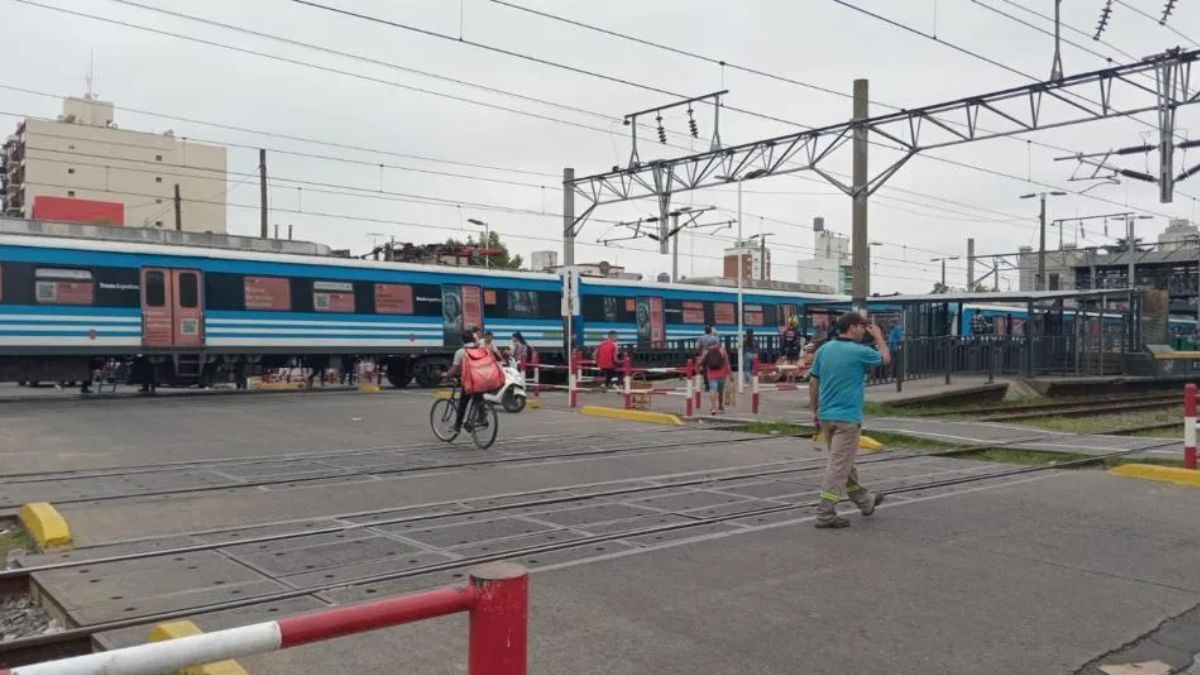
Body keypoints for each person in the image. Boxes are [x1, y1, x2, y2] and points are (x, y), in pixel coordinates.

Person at [808, 312, 892, 529]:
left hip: (826, 417)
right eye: (863, 327)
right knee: (838, 465)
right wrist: (879, 338)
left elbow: (813, 383)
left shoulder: (823, 350)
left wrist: (814, 411)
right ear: (853, 327)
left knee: (844, 463)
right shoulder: (860, 352)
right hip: (847, 419)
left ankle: (866, 502)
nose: (865, 330)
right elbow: (885, 358)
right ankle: (825, 513)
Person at [448, 329, 490, 432]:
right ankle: (482, 418)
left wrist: (446, 374)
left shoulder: (460, 352)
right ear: (472, 338)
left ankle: (457, 426)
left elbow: (455, 369)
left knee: (463, 403)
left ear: (462, 340)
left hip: (469, 382)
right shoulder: (480, 349)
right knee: (478, 398)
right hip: (482, 379)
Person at [703, 340, 730, 415]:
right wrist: (730, 375)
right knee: (720, 391)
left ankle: (713, 408)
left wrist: (697, 369)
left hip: (711, 375)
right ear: (718, 344)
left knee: (712, 390)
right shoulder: (722, 351)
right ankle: (720, 406)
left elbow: (700, 362)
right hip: (722, 375)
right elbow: (727, 364)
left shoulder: (706, 352)